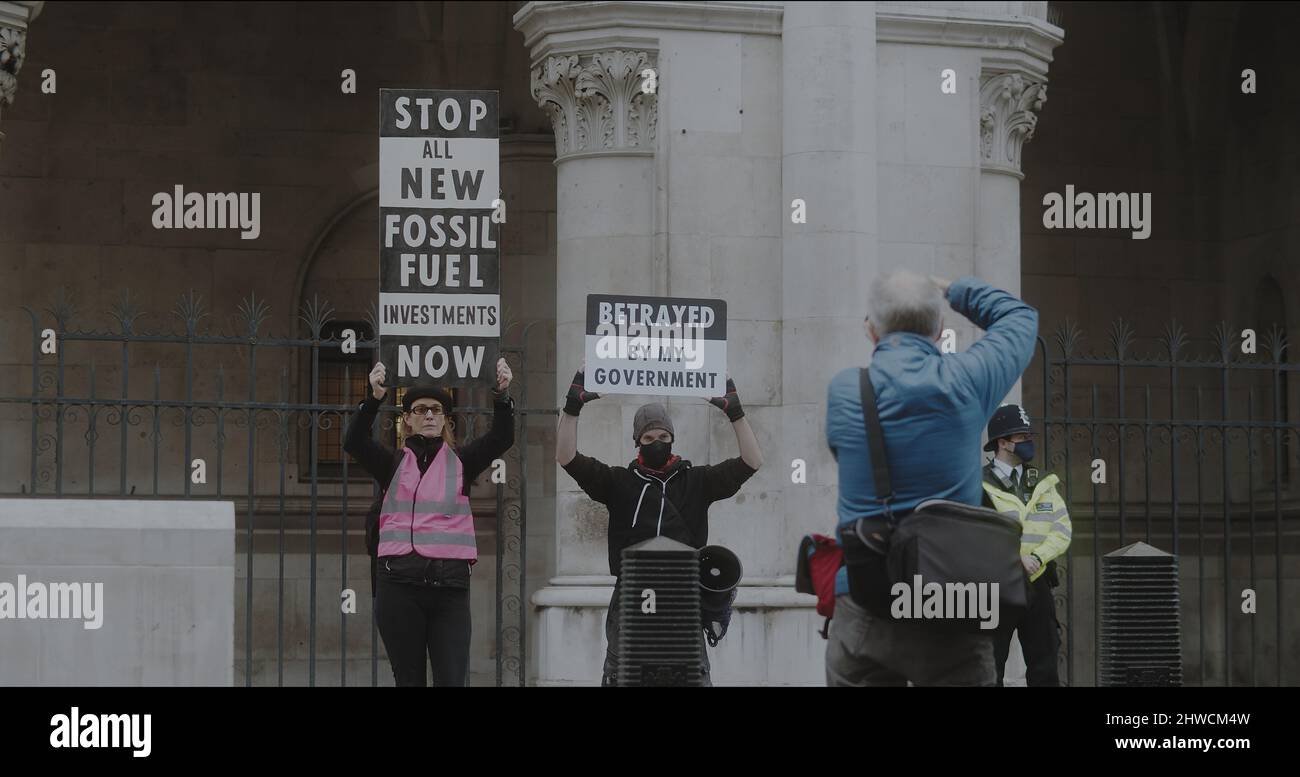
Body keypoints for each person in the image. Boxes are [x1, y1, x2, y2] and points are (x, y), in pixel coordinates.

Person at [825, 271, 1038, 686]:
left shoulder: (846, 390)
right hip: (952, 603)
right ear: (940, 331)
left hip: (868, 599)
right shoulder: (969, 380)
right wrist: (952, 290)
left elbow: (843, 451)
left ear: (871, 331)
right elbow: (1020, 318)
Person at [556, 368, 762, 686]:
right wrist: (573, 407)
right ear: (637, 441)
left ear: (672, 439)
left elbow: (752, 461)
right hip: (631, 602)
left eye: (663, 437)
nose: (657, 443)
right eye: (649, 438)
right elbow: (566, 456)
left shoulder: (697, 481)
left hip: (683, 602)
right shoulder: (618, 482)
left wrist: (734, 412)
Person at [344, 357, 515, 687]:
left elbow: (501, 438)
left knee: (451, 679)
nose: (429, 415)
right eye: (420, 410)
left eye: (436, 410)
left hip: (448, 590)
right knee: (408, 680)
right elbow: (354, 442)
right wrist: (374, 397)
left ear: (446, 420)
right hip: (398, 587)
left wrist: (501, 395)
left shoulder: (462, 461)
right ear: (407, 419)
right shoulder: (391, 462)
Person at [980, 403, 1071, 686]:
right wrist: (1013, 557)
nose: (1028, 442)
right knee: (989, 665)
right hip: (996, 585)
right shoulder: (977, 484)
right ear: (1003, 443)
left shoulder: (1043, 482)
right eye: (1021, 437)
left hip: (1038, 581)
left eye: (1028, 436)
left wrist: (1038, 556)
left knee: (1044, 664)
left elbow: (1062, 528)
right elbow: (975, 536)